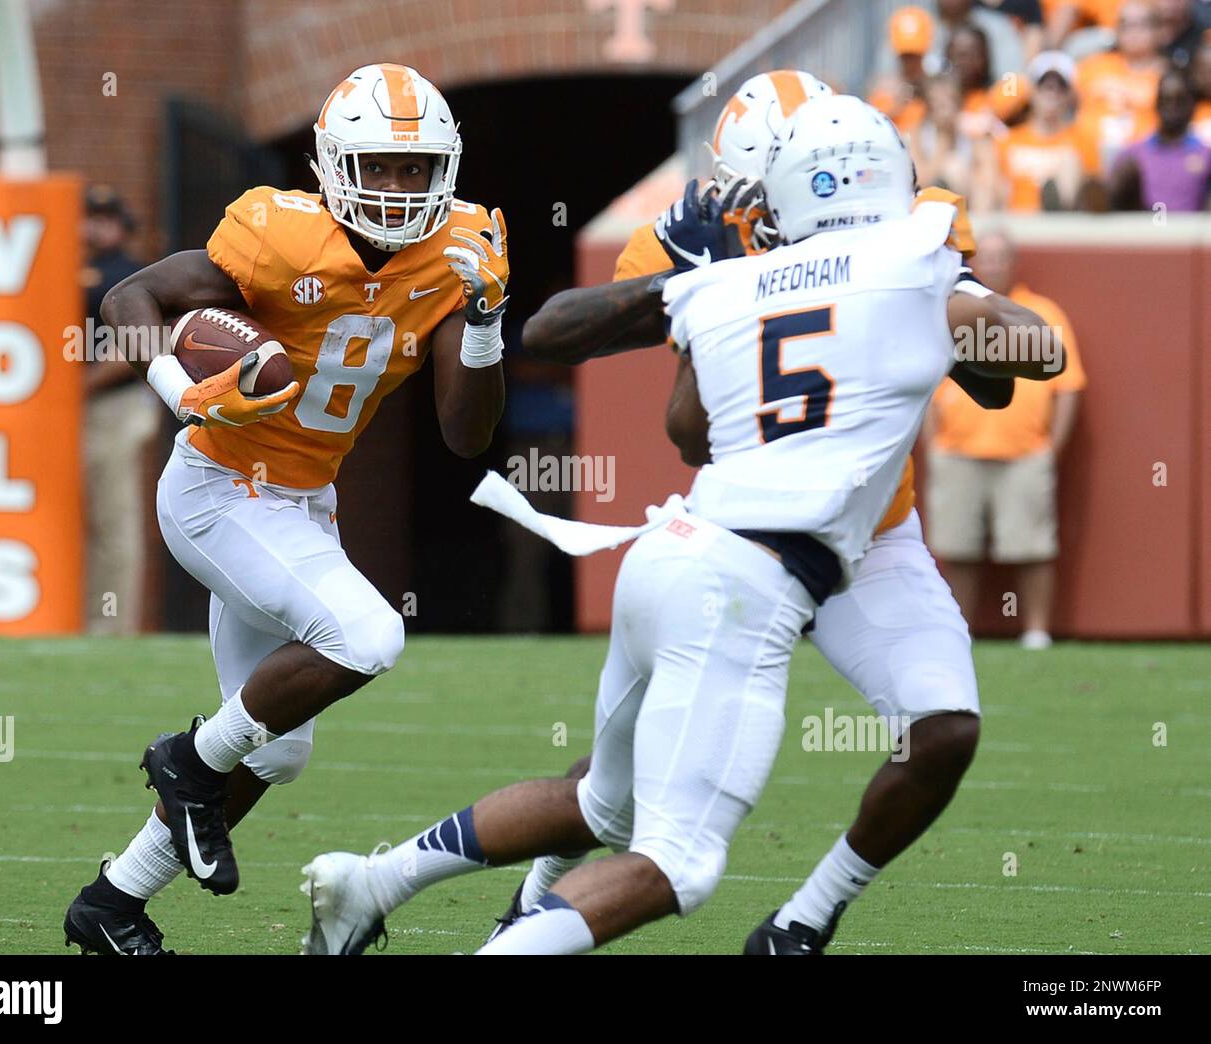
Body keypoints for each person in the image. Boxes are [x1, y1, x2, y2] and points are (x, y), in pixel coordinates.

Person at [297, 95, 1057, 957]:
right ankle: (513, 914)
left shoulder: (899, 239)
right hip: (752, 554)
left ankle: (797, 921)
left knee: (936, 724)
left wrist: (910, 300)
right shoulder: (713, 246)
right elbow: (685, 426)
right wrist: (709, 286)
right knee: (665, 852)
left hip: (849, 535)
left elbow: (997, 375)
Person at [61, 63, 508, 955]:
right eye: (376, 166)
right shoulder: (278, 235)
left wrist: (488, 318)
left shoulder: (462, 252)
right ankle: (186, 761)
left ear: (443, 171)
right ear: (333, 164)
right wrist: (175, 387)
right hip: (219, 488)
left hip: (303, 501)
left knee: (275, 750)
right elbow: (128, 297)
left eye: (412, 168)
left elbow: (465, 433)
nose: (394, 186)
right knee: (370, 636)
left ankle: (113, 903)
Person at [925, 230, 1085, 650]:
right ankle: (959, 629)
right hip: (958, 447)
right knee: (957, 547)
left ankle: (1036, 630)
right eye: (987, 257)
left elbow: (1066, 381)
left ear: (1014, 262)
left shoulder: (1041, 310)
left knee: (1030, 546)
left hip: (1024, 449)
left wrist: (1052, 445)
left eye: (1001, 257)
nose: (993, 264)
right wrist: (931, 442)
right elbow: (923, 384)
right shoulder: (946, 308)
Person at [80, 185, 162, 636]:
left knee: (114, 517)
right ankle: (81, 616)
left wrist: (79, 386)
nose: (95, 226)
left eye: (105, 218)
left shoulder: (125, 275)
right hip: (80, 412)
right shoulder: (78, 270)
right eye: (90, 216)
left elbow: (132, 345)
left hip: (113, 408)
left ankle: (110, 624)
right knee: (88, 518)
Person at [997, 50, 1100, 209]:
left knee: (1070, 162)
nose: (1052, 92)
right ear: (1032, 92)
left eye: (1061, 86)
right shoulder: (1008, 140)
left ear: (1070, 95)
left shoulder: (1084, 141)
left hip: (1062, 227)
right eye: (1044, 85)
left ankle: (1058, 211)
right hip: (1016, 220)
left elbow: (1093, 195)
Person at [1075, 0, 1167, 169]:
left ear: (1158, 30)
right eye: (1126, 25)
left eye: (1141, 25)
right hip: (1090, 164)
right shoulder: (1092, 65)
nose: (1133, 32)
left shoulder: (1168, 75)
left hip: (1145, 166)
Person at [1110, 67, 1211, 208]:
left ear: (1192, 105)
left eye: (1179, 101)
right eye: (1166, 100)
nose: (1172, 107)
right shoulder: (1133, 156)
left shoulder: (1206, 155)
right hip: (1144, 227)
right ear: (1156, 104)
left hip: (1189, 227)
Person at [909, 72, 1002, 209]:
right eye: (938, 103)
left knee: (981, 188)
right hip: (929, 201)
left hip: (968, 199)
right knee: (951, 169)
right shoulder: (918, 133)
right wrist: (944, 138)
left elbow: (991, 176)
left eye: (950, 101)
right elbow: (921, 181)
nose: (945, 109)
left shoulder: (972, 129)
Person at [869, 6, 938, 135]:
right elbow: (872, 129)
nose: (910, 61)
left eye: (915, 55)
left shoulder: (937, 87)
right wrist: (896, 106)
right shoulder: (883, 90)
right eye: (905, 56)